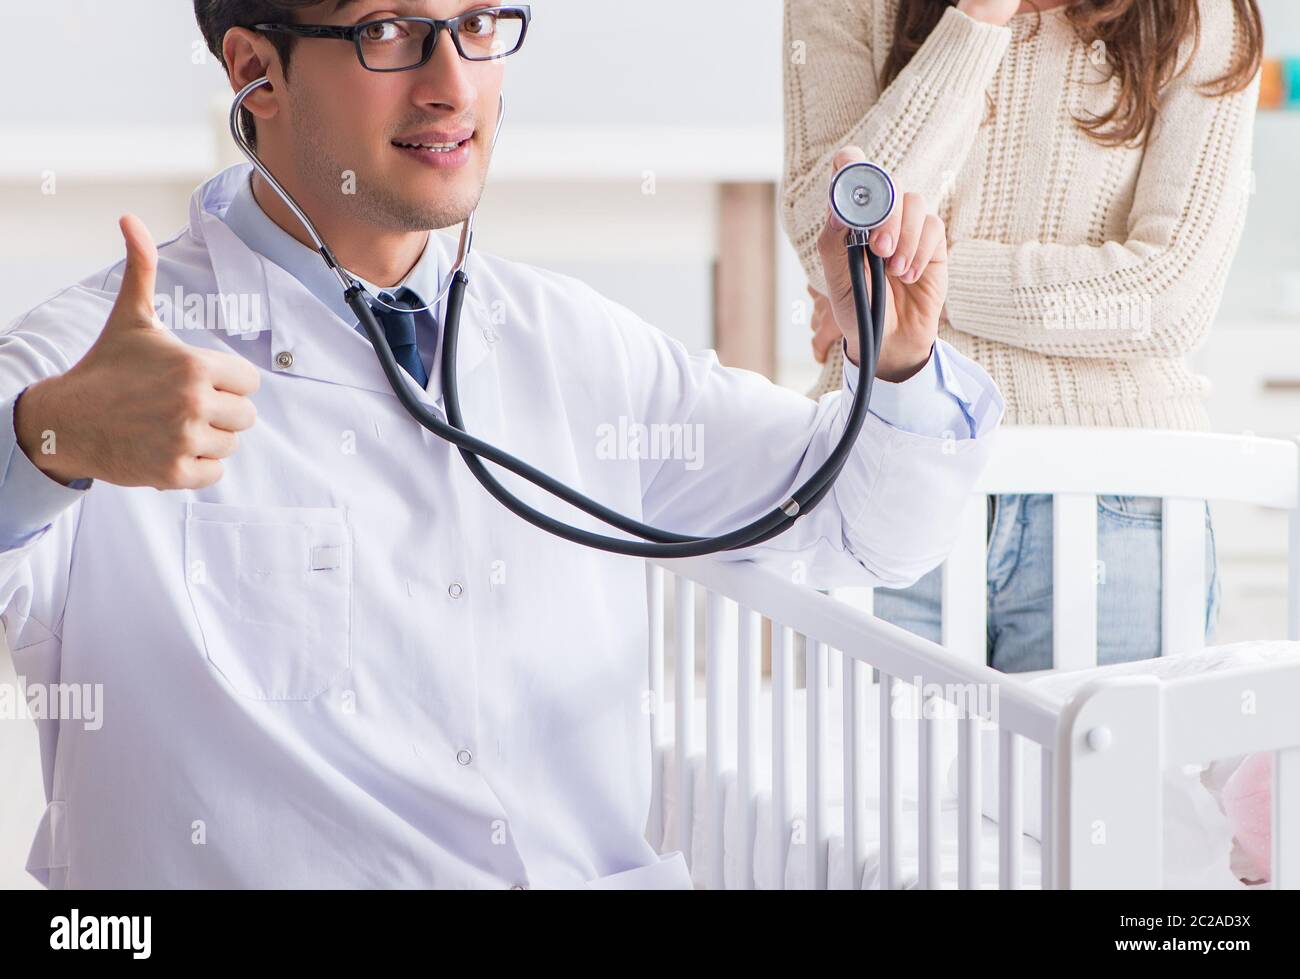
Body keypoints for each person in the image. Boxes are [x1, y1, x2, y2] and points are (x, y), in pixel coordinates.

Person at [0, 0, 1002, 888]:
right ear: (254, 71)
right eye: (387, 31)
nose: (452, 85)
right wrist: (51, 438)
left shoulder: (577, 350)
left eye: (478, 25)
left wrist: (900, 356)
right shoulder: (98, 361)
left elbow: (871, 532)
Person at [782, 0, 1263, 671]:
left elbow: (1169, 300)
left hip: (1118, 498)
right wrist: (978, 21)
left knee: (1102, 775)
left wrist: (926, 283)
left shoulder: (1201, 15)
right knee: (868, 776)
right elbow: (821, 239)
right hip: (887, 467)